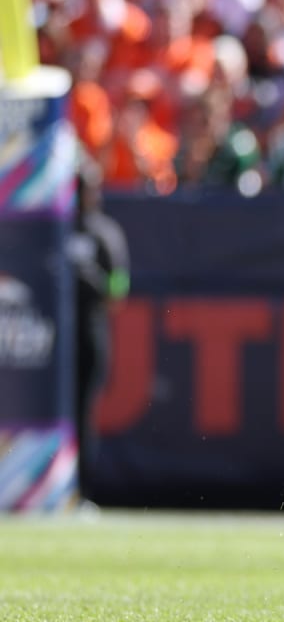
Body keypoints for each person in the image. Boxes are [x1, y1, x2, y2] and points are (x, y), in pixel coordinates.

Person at [67, 158, 130, 502]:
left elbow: (118, 290)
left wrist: (92, 279)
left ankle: (81, 491)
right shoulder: (55, 229)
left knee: (82, 415)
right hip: (54, 339)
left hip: (89, 335)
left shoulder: (104, 233)